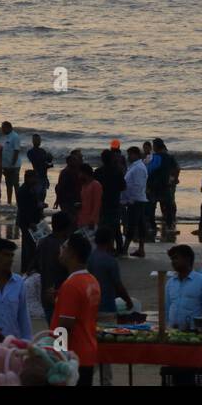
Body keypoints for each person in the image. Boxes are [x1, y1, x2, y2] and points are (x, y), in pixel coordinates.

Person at [51, 232, 101, 386]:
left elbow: (65, 325)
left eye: (64, 247)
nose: (61, 249)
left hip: (73, 355)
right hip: (87, 351)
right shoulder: (92, 281)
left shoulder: (72, 285)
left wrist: (58, 356)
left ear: (72, 253)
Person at [88, 227, 131, 385]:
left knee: (93, 345)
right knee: (106, 349)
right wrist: (128, 300)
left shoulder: (89, 259)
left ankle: (86, 375)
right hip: (107, 309)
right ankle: (105, 381)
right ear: (109, 241)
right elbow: (117, 284)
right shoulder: (110, 261)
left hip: (91, 309)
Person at [165, 244, 202, 329]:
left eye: (176, 258)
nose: (173, 262)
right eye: (172, 259)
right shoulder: (170, 283)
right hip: (173, 332)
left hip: (194, 332)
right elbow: (167, 308)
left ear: (187, 259)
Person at [34, 212, 71, 319]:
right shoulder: (65, 246)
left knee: (54, 328)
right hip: (61, 293)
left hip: (45, 293)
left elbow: (34, 265)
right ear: (67, 227)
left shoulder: (43, 242)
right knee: (62, 331)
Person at [121, 146, 149, 257]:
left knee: (132, 224)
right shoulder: (134, 167)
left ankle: (125, 248)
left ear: (136, 155)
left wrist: (130, 199)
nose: (128, 157)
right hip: (136, 199)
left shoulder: (138, 168)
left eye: (130, 154)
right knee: (140, 224)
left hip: (136, 200)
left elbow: (137, 185)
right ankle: (141, 249)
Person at [76, 164, 102, 235]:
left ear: (85, 173)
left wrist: (92, 220)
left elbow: (97, 205)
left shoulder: (96, 185)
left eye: (80, 173)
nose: (78, 175)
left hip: (90, 222)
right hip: (81, 219)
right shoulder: (84, 185)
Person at [1, 121, 22, 205]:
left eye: (3, 128)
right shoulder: (6, 137)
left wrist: (12, 164)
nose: (2, 130)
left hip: (14, 166)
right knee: (8, 185)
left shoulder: (15, 136)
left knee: (15, 184)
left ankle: (19, 203)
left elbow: (16, 151)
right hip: (6, 166)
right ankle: (9, 203)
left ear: (8, 127)